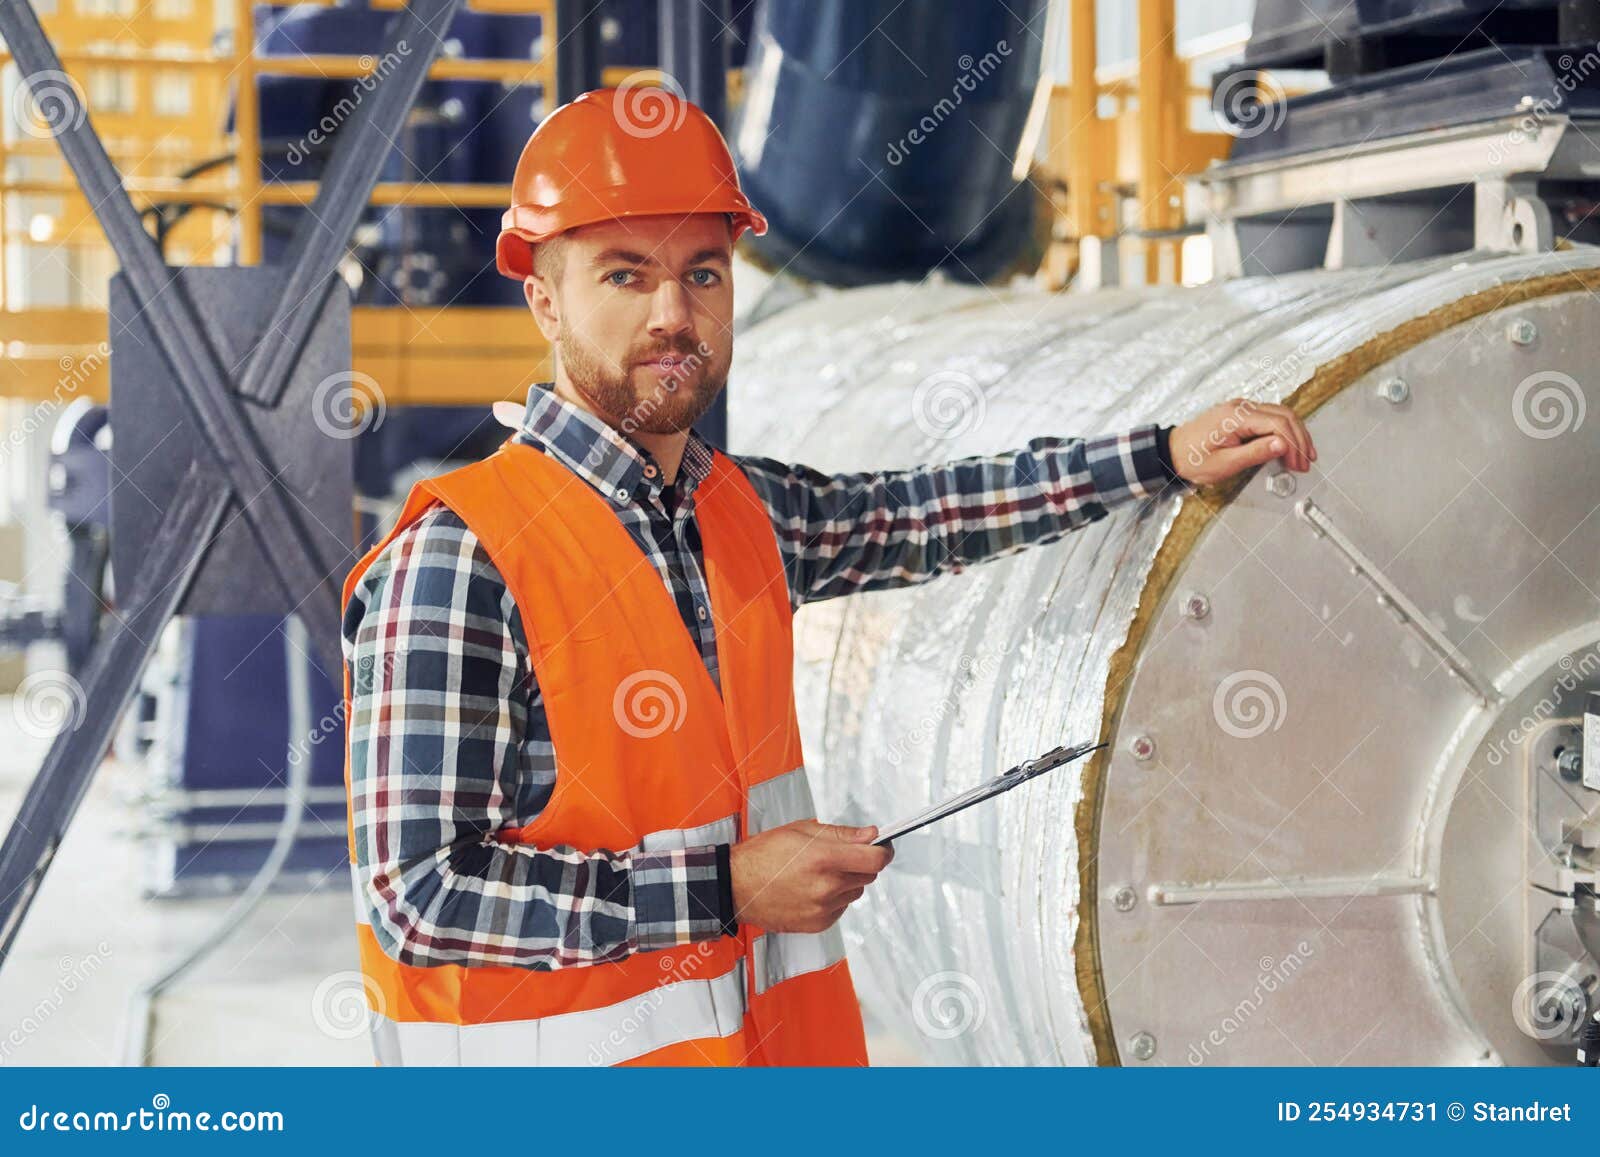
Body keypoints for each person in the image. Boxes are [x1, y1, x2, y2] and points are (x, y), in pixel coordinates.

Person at [340, 88, 1316, 1067]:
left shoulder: (735, 511)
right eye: (625, 275)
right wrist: (727, 889)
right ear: (546, 300)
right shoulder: (462, 557)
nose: (673, 315)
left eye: (702, 273)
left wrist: (1159, 454)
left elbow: (925, 511)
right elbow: (418, 896)